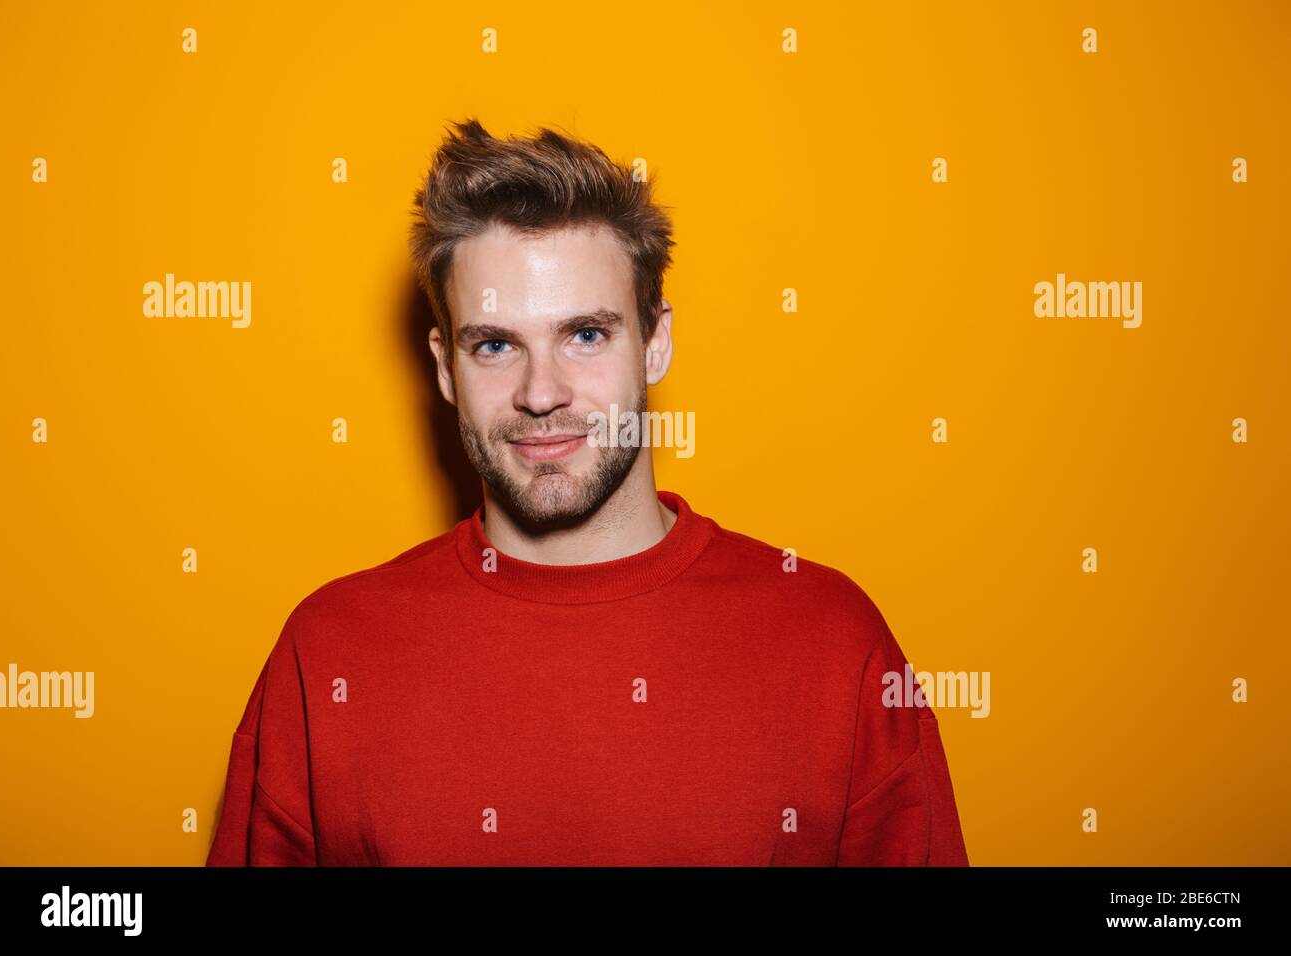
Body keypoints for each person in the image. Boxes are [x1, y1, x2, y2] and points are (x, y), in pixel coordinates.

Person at [205, 118, 969, 866]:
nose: (542, 393)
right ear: (445, 367)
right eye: (496, 344)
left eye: (587, 335)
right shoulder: (328, 651)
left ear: (656, 340)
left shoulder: (834, 643)